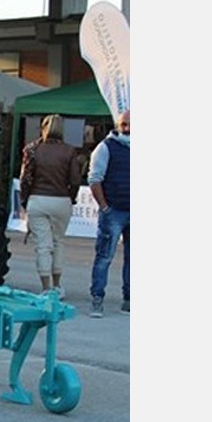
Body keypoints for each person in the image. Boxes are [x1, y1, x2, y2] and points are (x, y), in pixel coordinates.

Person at [18, 114, 82, 299]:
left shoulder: (31, 149)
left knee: (43, 246)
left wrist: (25, 200)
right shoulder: (69, 151)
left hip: (38, 199)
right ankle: (58, 285)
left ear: (43, 128)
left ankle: (46, 288)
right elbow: (75, 180)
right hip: (61, 200)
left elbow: (25, 179)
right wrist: (70, 197)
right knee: (58, 242)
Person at [87, 109, 130, 318]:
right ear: (117, 125)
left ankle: (129, 299)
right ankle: (97, 298)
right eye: (124, 124)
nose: (128, 129)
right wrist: (105, 207)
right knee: (104, 256)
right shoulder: (105, 148)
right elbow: (94, 179)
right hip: (113, 211)